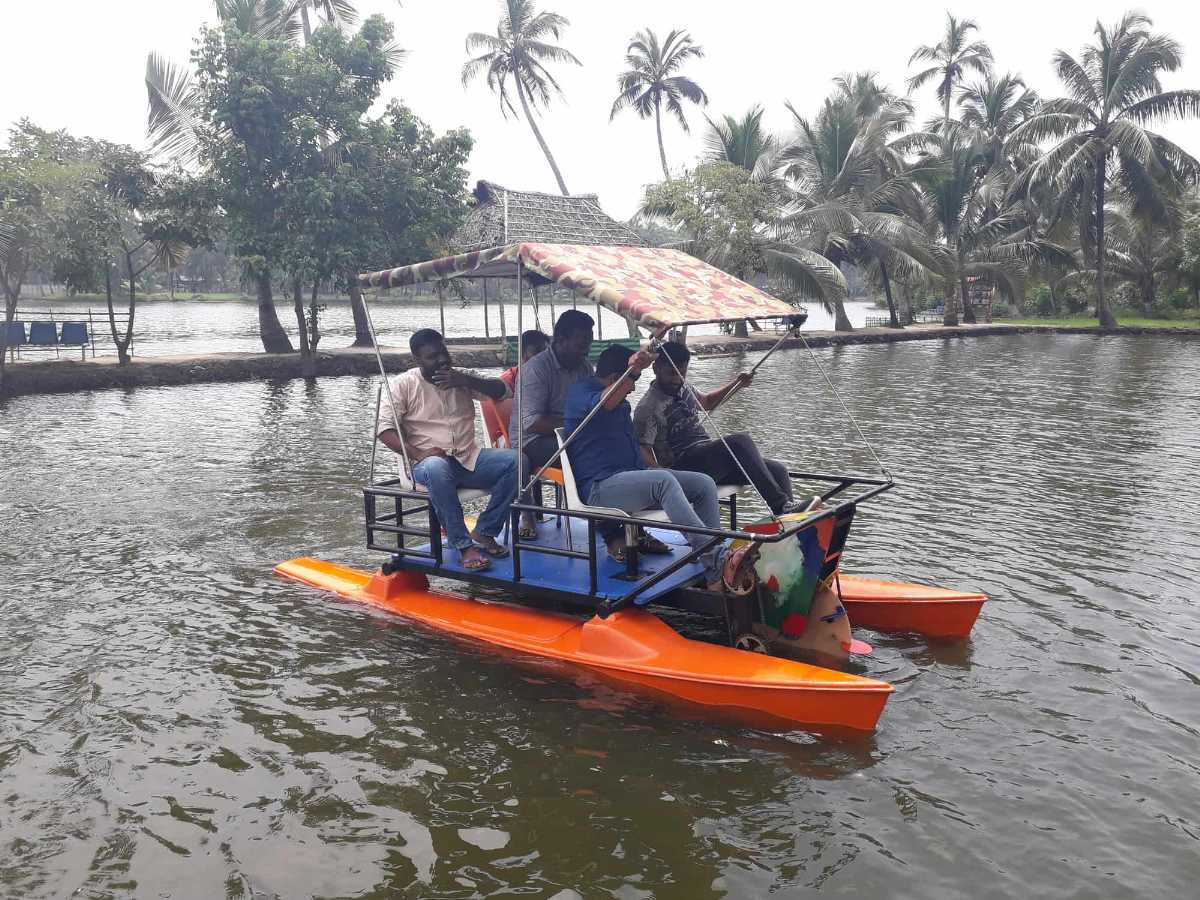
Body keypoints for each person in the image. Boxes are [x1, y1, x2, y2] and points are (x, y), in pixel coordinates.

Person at [564, 344, 724, 579]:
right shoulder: (581, 393)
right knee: (662, 480)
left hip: (629, 479)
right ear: (616, 378)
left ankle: (714, 569)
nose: (633, 388)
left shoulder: (621, 405)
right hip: (599, 488)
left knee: (703, 483)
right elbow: (604, 402)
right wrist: (634, 370)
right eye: (632, 381)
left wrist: (653, 467)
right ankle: (717, 557)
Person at [377, 329, 520, 572]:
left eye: (443, 352)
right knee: (436, 467)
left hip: (468, 458)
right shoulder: (404, 385)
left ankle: (484, 532)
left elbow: (504, 390)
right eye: (433, 357)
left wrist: (466, 381)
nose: (442, 360)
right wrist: (417, 454)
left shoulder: (460, 378)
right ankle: (464, 546)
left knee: (518, 461)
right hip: (429, 463)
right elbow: (384, 430)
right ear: (417, 360)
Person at [634, 340, 806, 516]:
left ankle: (790, 520)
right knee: (738, 441)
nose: (676, 380)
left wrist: (737, 385)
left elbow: (707, 402)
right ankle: (781, 505)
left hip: (709, 461)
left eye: (681, 373)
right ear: (656, 369)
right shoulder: (647, 407)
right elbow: (642, 449)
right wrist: (664, 476)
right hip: (684, 466)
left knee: (777, 470)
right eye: (670, 374)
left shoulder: (684, 387)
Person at [482, 329, 549, 448]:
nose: (541, 357)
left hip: (539, 433)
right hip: (508, 437)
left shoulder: (547, 379)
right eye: (536, 352)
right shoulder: (507, 381)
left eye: (545, 352)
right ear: (522, 353)